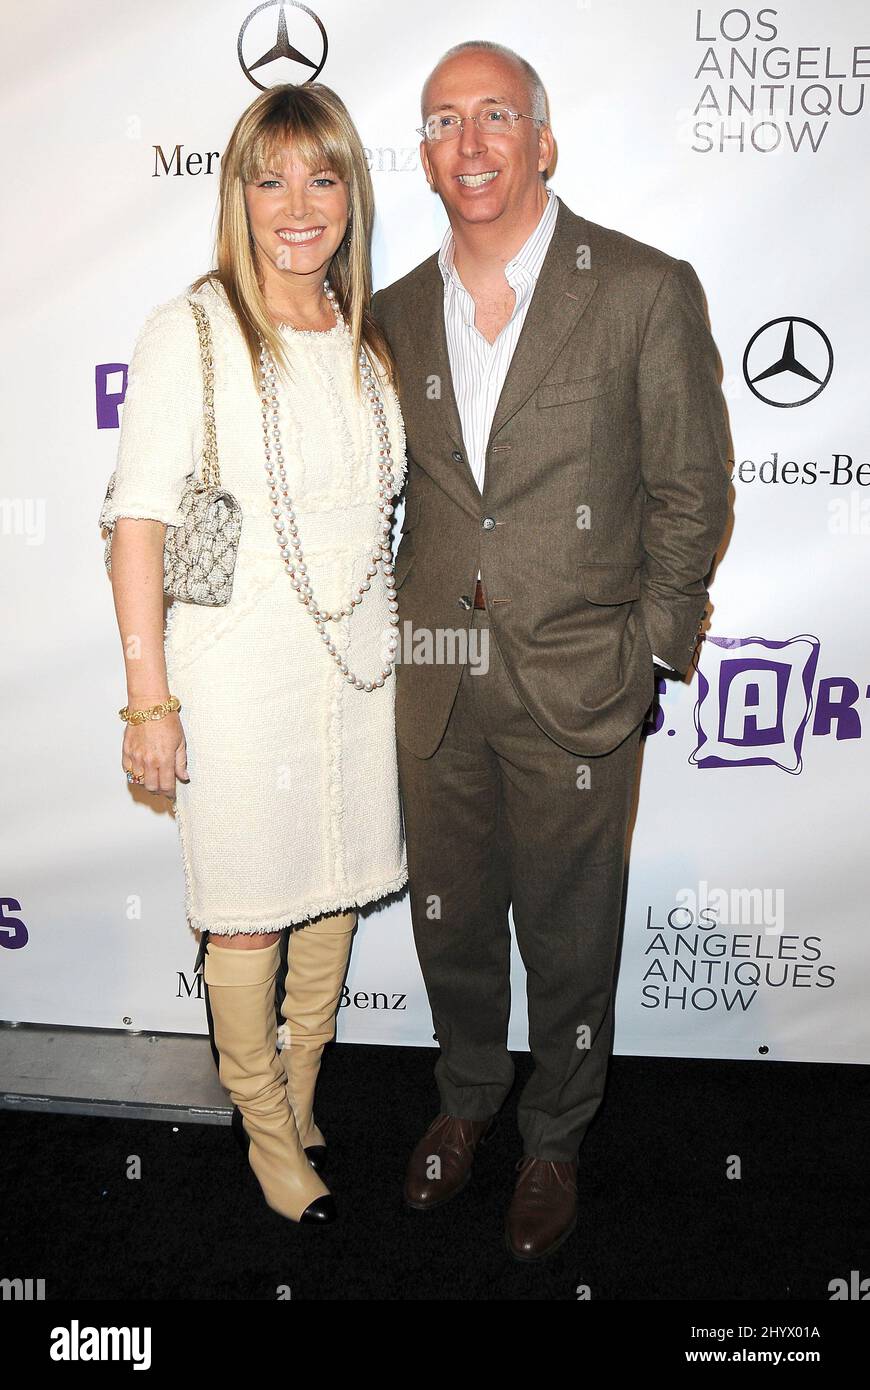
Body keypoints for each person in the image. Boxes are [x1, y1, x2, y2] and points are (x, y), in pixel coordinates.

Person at [371, 40, 731, 1260]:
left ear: (542, 142)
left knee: (572, 936)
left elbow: (692, 490)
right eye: (440, 123)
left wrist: (649, 653)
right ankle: (467, 1098)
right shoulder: (387, 315)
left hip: (579, 685)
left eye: (493, 118)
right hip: (433, 688)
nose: (467, 145)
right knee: (450, 921)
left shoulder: (637, 287)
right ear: (421, 154)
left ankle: (557, 1134)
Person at [102, 82, 407, 1226]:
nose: (297, 203)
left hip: (356, 671)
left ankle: (305, 1092)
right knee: (245, 908)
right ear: (237, 193)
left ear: (349, 194)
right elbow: (138, 524)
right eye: (269, 177)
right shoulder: (190, 329)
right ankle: (266, 1132)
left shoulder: (368, 340)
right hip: (236, 676)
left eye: (321, 176)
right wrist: (149, 701)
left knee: (328, 900)